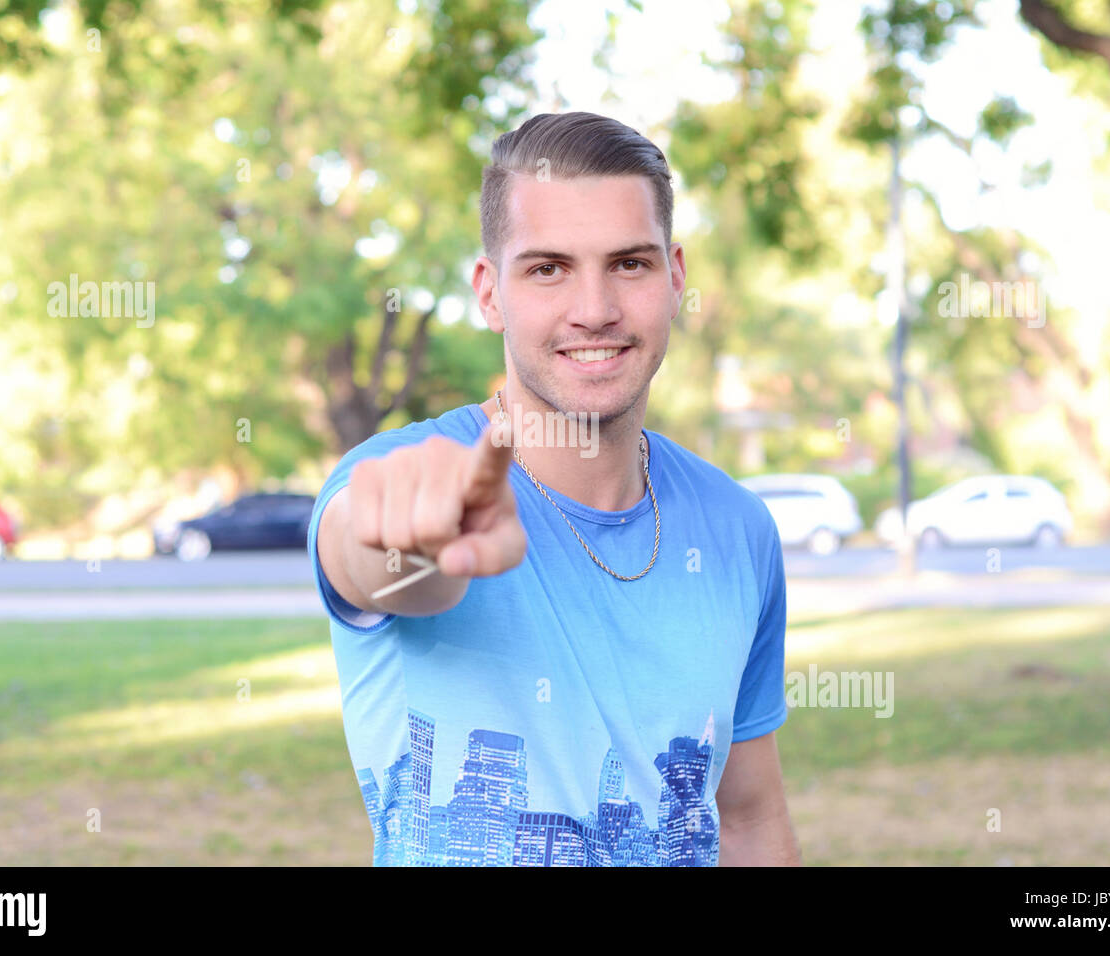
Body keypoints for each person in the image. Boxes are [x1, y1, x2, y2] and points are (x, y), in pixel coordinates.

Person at [309, 111, 799, 866]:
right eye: (548, 269)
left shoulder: (739, 527)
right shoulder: (397, 475)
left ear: (674, 278)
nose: (595, 309)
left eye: (629, 265)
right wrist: (422, 537)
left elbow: (749, 819)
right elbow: (378, 562)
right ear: (490, 291)